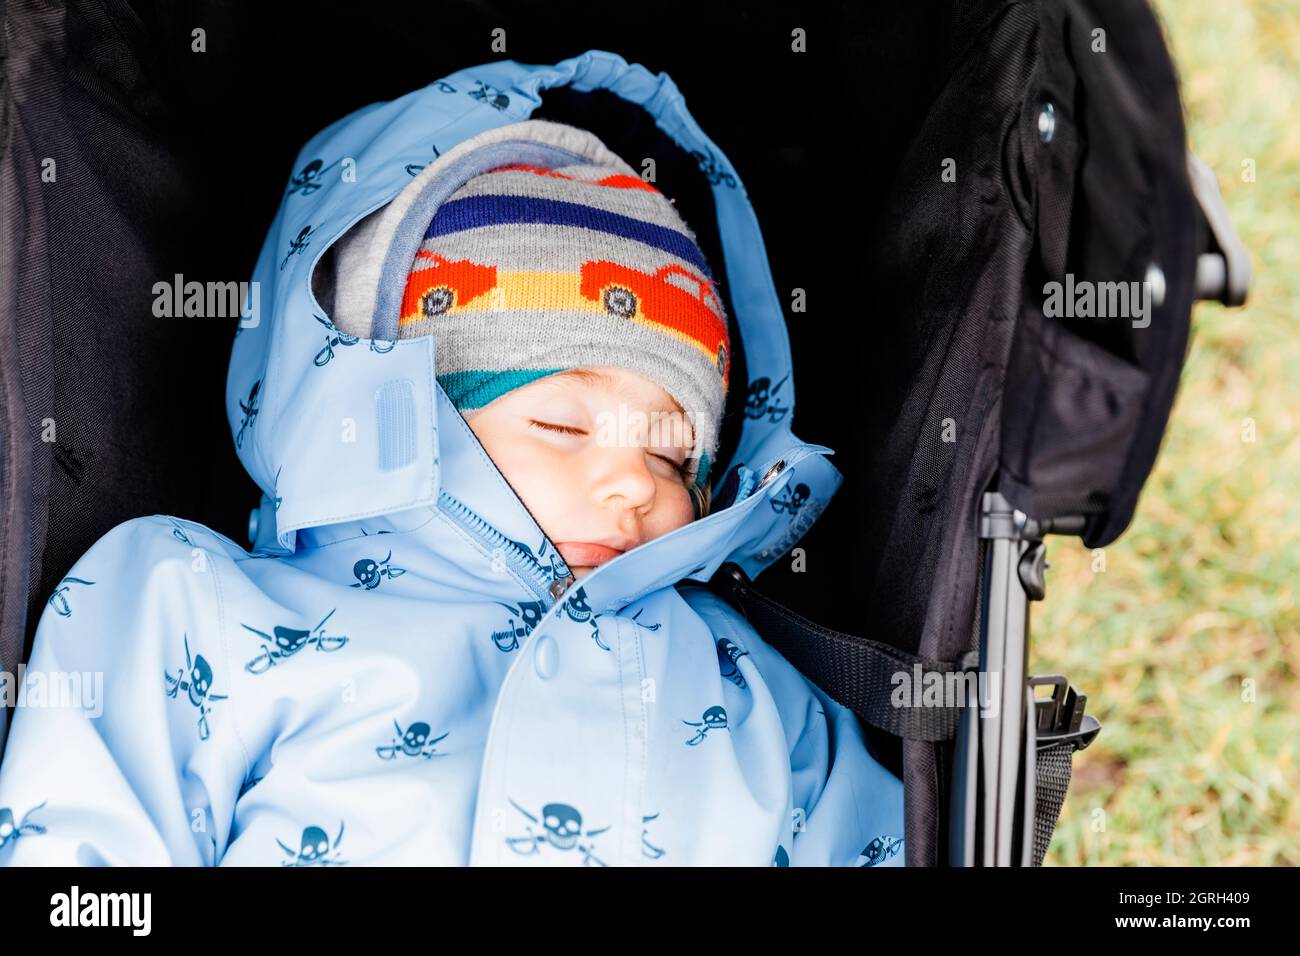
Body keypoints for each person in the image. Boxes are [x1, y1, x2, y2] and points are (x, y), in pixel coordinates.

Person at [0, 100, 903, 866]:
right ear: (392, 410)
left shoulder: (755, 694)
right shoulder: (197, 606)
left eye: (672, 457)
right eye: (562, 424)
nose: (633, 483)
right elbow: (85, 849)